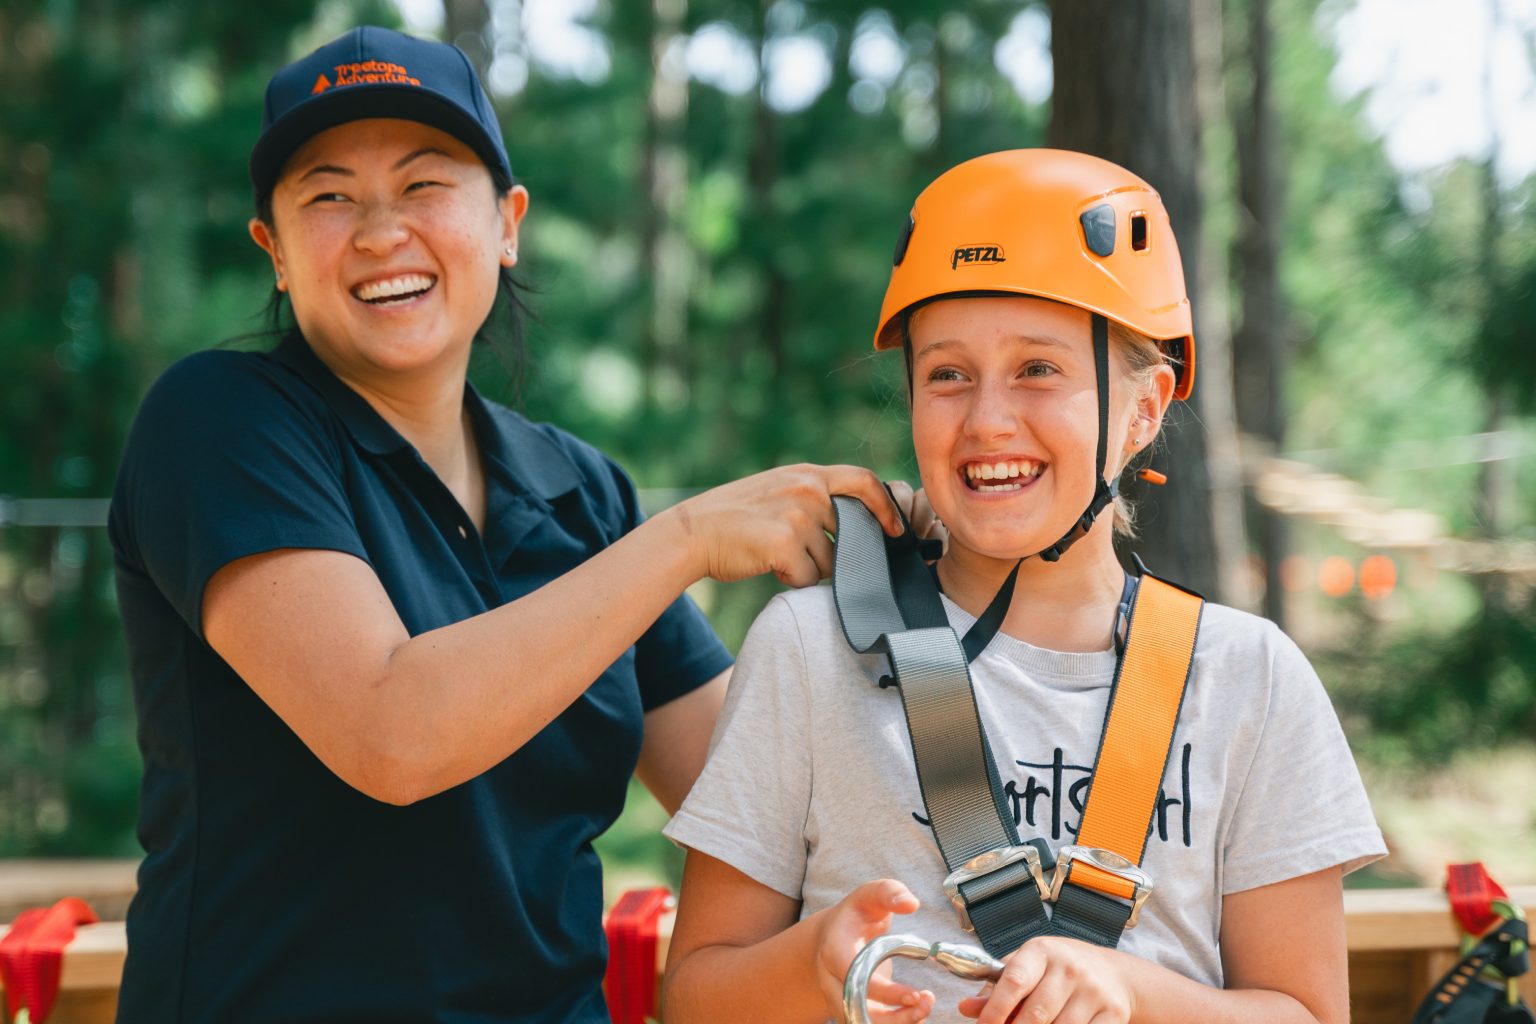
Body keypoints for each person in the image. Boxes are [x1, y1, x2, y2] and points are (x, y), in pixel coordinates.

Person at [106, 26, 909, 1023]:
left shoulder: (579, 490)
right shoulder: (220, 423)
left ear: (508, 222)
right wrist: (691, 539)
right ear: (272, 249)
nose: (379, 231)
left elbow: (767, 797)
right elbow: (389, 732)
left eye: (425, 184)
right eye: (328, 196)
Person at [661, 150, 1388, 1024]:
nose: (987, 419)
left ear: (1145, 409)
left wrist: (1132, 992)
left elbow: (1309, 1014)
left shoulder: (1248, 679)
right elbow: (696, 997)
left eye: (1038, 369)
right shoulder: (811, 652)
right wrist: (806, 964)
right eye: (947, 374)